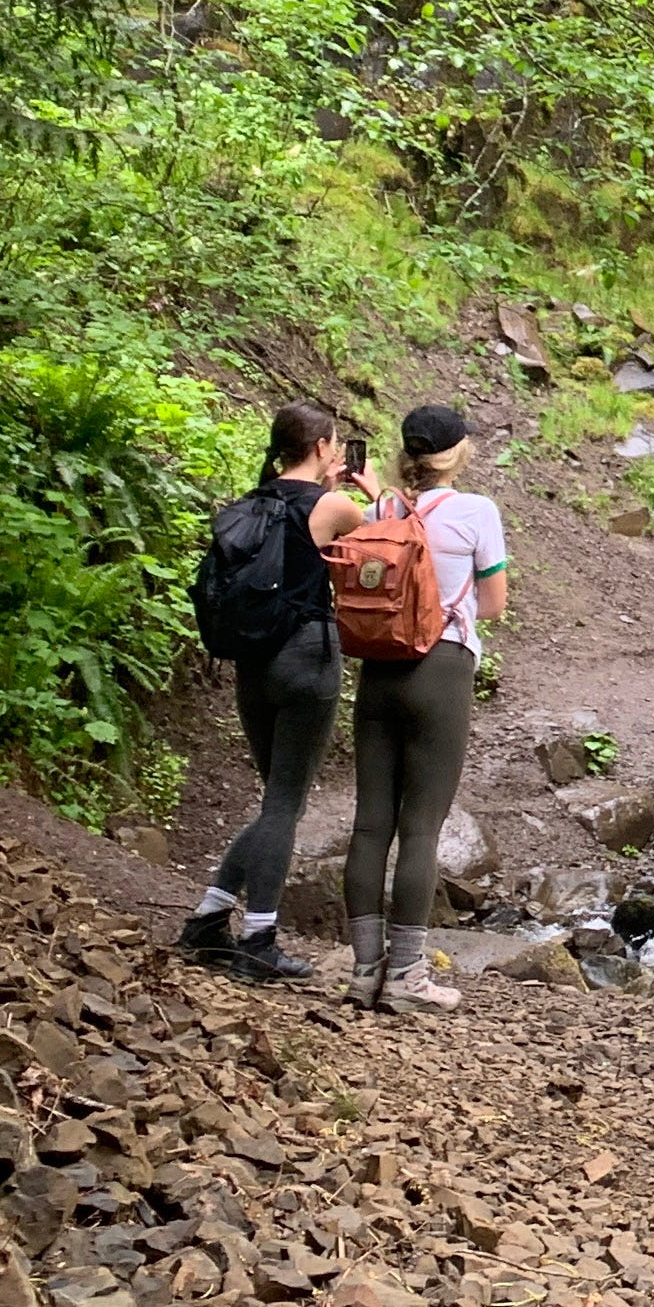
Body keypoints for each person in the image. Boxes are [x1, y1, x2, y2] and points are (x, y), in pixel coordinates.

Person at [180, 404, 366, 983]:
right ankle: (259, 936)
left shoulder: (250, 503)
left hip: (253, 662)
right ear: (319, 447)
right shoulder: (333, 504)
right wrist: (371, 491)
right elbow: (385, 540)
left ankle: (209, 921)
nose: (338, 453)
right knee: (285, 805)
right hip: (307, 657)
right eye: (334, 445)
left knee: (275, 804)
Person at [346, 401, 507, 1011]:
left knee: (370, 823)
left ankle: (365, 972)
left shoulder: (380, 510)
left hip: (380, 669)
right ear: (458, 453)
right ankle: (409, 977)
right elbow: (491, 604)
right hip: (442, 667)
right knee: (421, 826)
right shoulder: (476, 511)